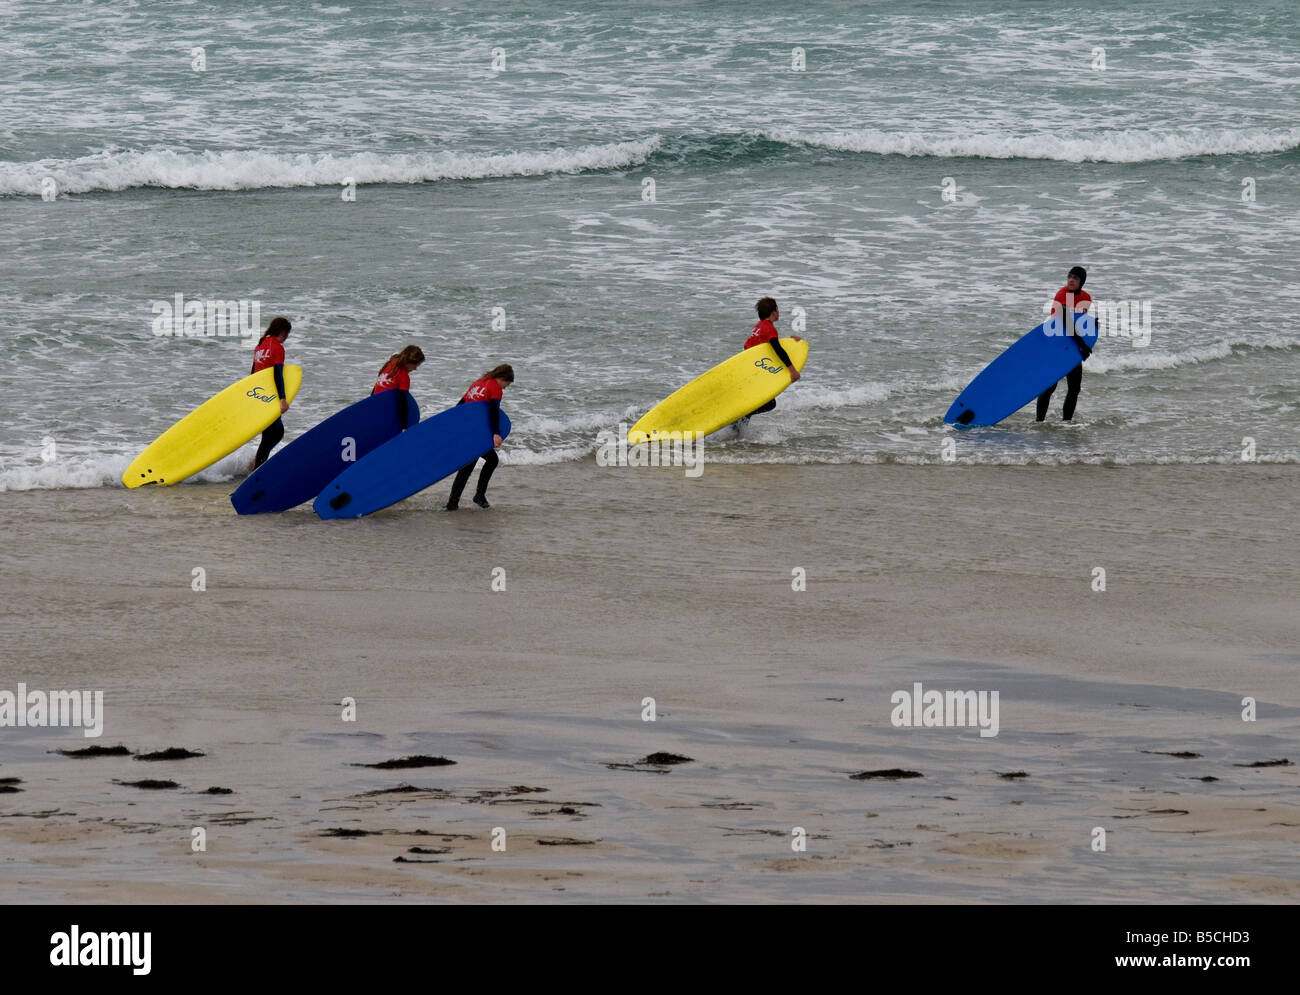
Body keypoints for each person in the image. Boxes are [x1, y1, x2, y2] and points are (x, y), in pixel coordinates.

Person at [446, 363, 514, 510]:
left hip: (467, 429)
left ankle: (455, 502)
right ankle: (471, 498)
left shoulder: (478, 383)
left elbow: (461, 404)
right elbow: (494, 411)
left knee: (477, 463)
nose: (504, 388)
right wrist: (496, 433)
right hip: (475, 433)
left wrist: (453, 426)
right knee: (478, 464)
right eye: (506, 385)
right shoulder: (495, 387)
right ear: (502, 378)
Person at [1035, 266, 1093, 423]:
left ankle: (1066, 423)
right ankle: (1039, 422)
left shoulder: (1086, 298)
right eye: (1069, 276)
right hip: (1056, 345)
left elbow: (1079, 323)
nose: (1071, 279)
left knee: (1074, 388)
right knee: (1049, 387)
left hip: (1071, 346)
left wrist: (1092, 329)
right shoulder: (1062, 294)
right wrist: (1081, 344)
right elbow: (1065, 321)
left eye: (1075, 277)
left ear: (1082, 282)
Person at [740, 297, 801, 420]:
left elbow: (760, 346)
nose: (779, 312)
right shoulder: (769, 328)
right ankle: (742, 416)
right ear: (773, 312)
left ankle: (737, 430)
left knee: (755, 402)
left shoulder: (758, 326)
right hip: (757, 371)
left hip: (749, 368)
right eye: (778, 309)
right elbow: (777, 349)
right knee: (770, 403)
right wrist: (792, 371)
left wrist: (791, 342)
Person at [250, 316, 291, 468]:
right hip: (270, 396)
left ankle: (258, 464)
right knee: (274, 433)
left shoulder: (260, 345)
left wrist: (250, 394)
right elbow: (277, 373)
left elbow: (253, 372)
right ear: (283, 332)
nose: (287, 337)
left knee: (273, 432)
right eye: (287, 333)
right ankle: (257, 467)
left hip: (259, 394)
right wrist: (282, 398)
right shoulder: (277, 348)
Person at [372, 345, 424, 430]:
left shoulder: (392, 362)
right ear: (409, 362)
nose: (415, 369)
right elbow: (402, 402)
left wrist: (370, 400)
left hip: (375, 405)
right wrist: (404, 427)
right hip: (386, 410)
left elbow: (376, 386)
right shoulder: (404, 376)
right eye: (415, 365)